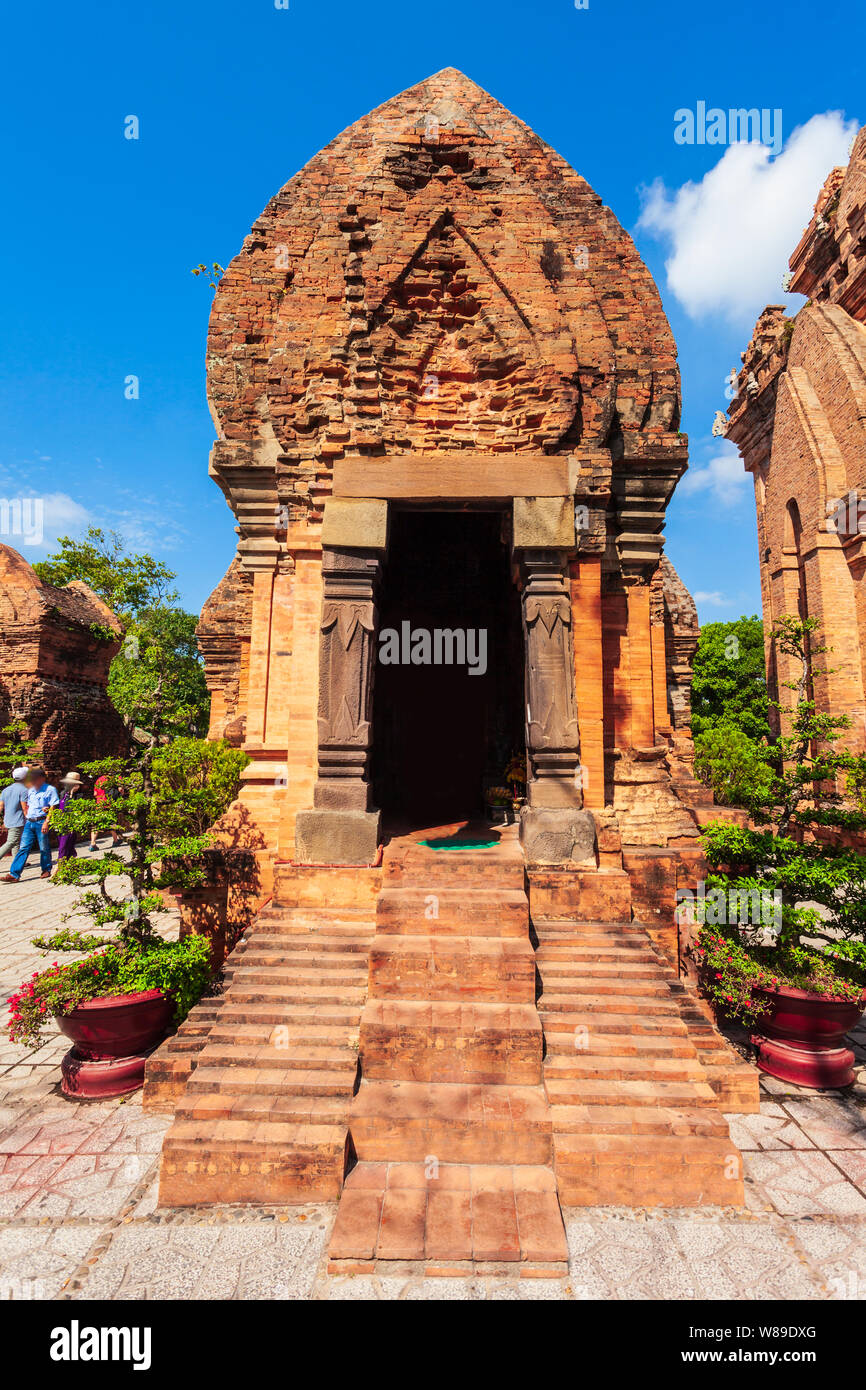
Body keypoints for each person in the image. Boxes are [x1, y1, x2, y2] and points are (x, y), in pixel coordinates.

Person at [2, 767, 60, 882]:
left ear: (42, 778)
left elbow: (53, 807)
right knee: (23, 848)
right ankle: (14, 874)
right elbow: (26, 805)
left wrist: (47, 821)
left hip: (41, 821)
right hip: (30, 821)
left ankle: (46, 869)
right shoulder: (30, 790)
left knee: (43, 847)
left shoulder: (50, 790)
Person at [52, 771, 84, 869]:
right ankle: (70, 864)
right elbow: (57, 807)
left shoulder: (79, 796)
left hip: (70, 824)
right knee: (66, 846)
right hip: (60, 823)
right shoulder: (62, 794)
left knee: (63, 846)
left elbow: (78, 810)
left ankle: (59, 867)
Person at [0, 766, 29, 867]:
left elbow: (1, 807)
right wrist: (30, 819)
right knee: (11, 842)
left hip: (8, 819)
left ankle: (18, 862)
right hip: (18, 820)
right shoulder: (24, 790)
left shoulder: (6, 790)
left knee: (16, 841)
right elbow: (24, 807)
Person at [89, 773, 121, 853]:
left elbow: (95, 794)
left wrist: (101, 797)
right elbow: (120, 790)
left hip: (99, 805)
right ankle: (115, 840)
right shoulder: (117, 777)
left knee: (96, 824)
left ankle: (92, 843)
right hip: (110, 804)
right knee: (112, 822)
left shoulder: (99, 779)